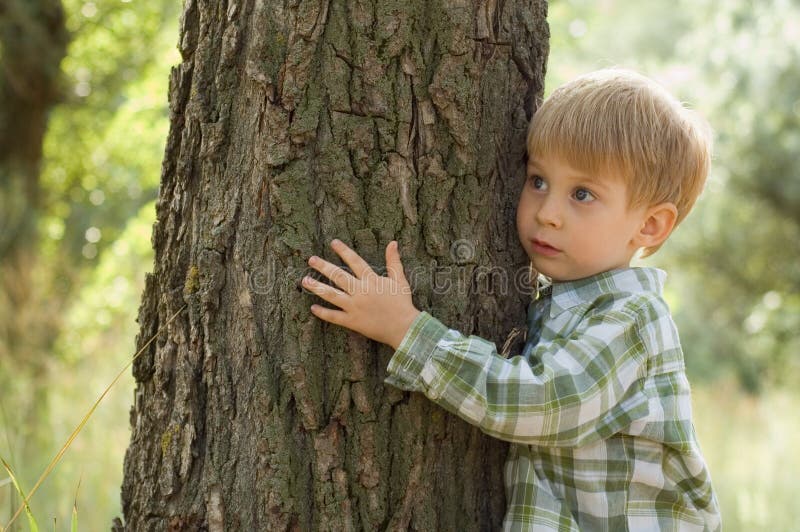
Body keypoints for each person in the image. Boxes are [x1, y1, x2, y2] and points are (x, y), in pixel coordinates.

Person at [301, 68, 722, 531]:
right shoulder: (559, 307)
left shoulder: (631, 321)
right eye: (538, 180)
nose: (547, 212)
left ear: (649, 227)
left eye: (582, 194)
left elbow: (537, 404)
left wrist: (406, 330)